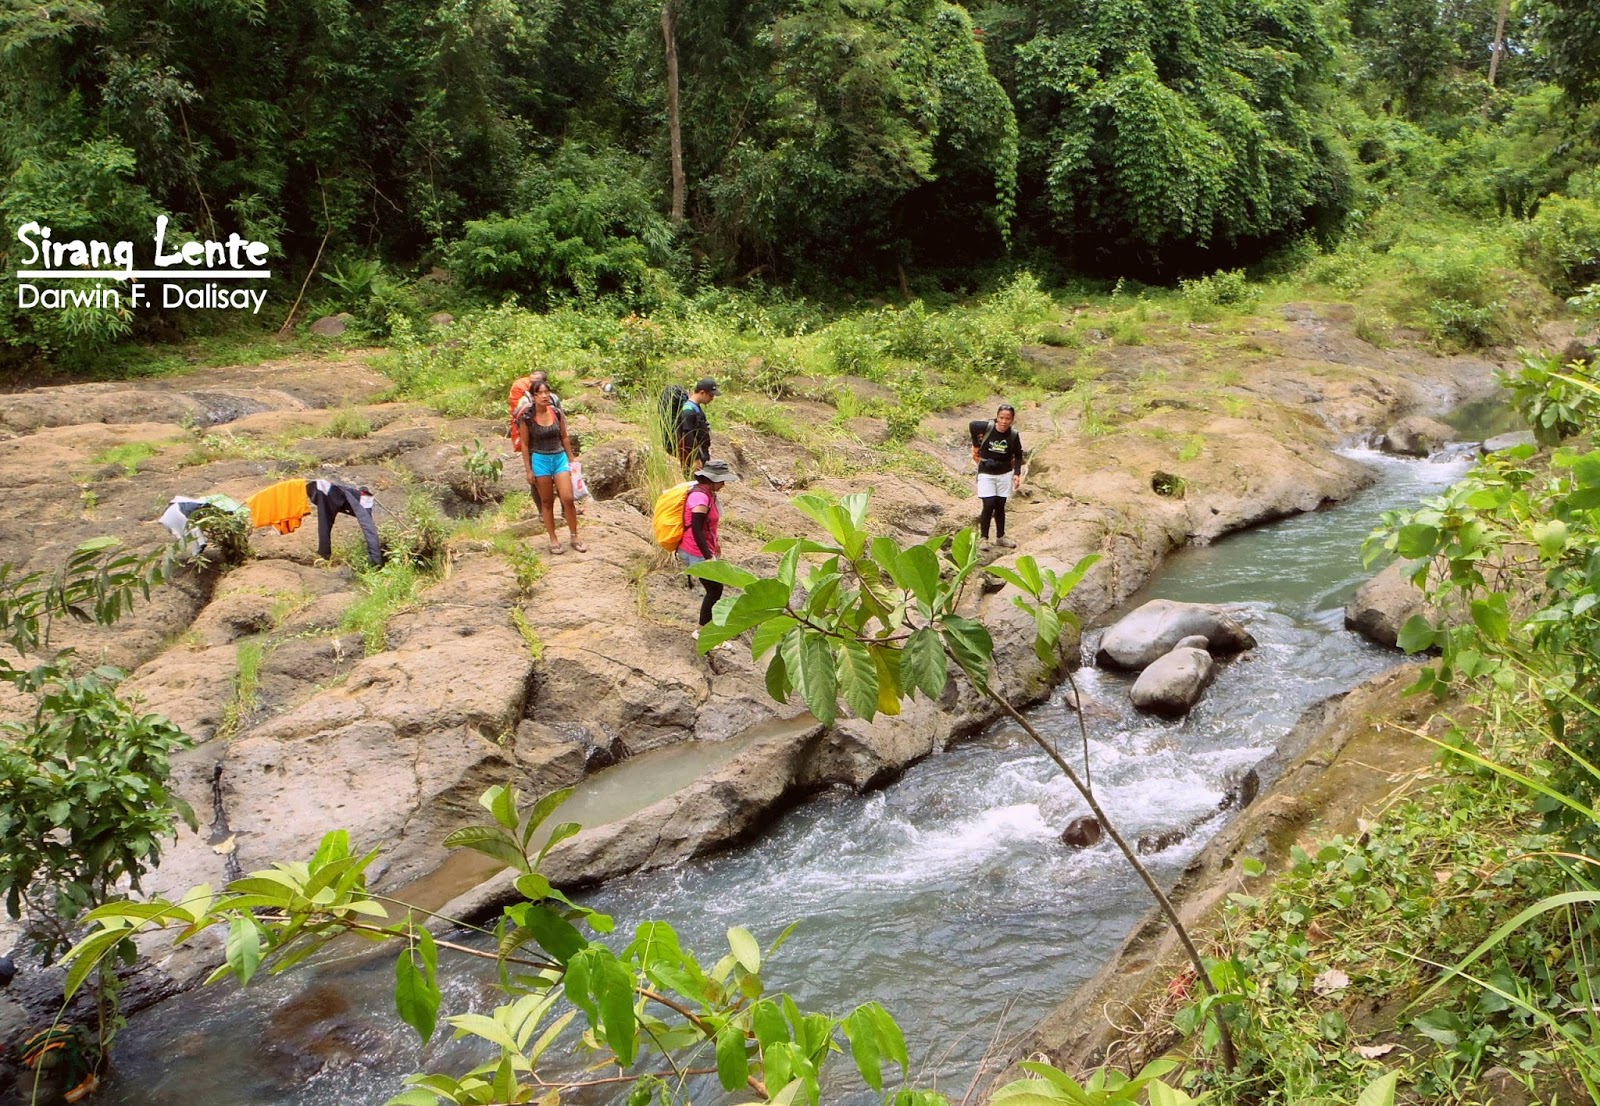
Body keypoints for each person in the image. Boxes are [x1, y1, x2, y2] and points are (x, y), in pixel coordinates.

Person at [517, 380, 586, 554]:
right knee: (547, 502)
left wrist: (571, 459)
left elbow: (564, 437)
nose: (544, 396)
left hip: (559, 457)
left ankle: (574, 536)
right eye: (540, 393)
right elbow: (524, 445)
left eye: (547, 392)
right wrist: (528, 470)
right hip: (540, 459)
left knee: (568, 499)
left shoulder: (557, 413)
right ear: (533, 397)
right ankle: (553, 540)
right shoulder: (527, 418)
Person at [676, 458, 739, 642]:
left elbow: (707, 526)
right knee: (714, 590)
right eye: (722, 481)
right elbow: (696, 529)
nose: (724, 485)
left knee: (715, 590)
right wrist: (708, 557)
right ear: (712, 480)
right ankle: (703, 632)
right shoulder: (700, 497)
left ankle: (706, 630)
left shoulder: (708, 494)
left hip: (702, 549)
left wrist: (715, 543)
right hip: (695, 550)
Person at [970, 404, 1024, 548]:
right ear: (997, 417)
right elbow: (972, 425)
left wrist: (1017, 474)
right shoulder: (987, 427)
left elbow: (1018, 455)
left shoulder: (1013, 435)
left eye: (1008, 418)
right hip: (986, 472)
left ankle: (1001, 537)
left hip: (1004, 473)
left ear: (1012, 419)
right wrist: (976, 445)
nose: (1004, 421)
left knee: (1000, 505)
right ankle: (984, 538)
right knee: (988, 504)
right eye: (1001, 418)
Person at [674, 378, 718, 472]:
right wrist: (695, 459)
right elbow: (687, 436)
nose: (712, 398)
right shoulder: (688, 410)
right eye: (711, 395)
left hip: (702, 454)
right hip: (694, 459)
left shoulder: (695, 408)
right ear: (702, 393)